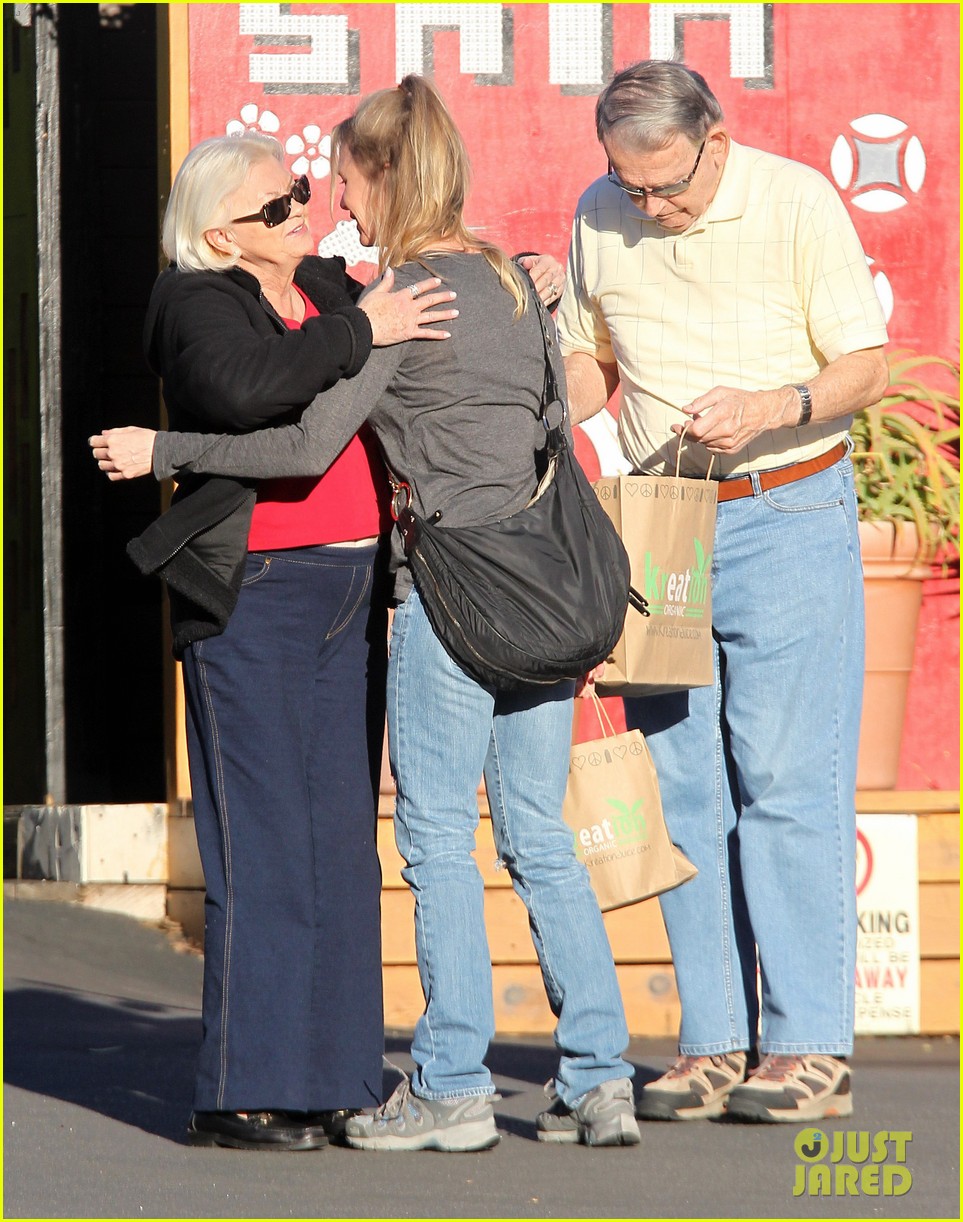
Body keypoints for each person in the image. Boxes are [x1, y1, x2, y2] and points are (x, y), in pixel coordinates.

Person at [90, 74, 640, 1153]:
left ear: (383, 177)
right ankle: (589, 1076)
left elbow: (309, 433)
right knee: (492, 837)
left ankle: (424, 1081)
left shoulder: (391, 299)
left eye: (330, 183)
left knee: (408, 837)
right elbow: (538, 403)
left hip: (435, 592)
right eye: (292, 197)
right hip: (490, 583)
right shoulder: (477, 283)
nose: (320, 204)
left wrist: (168, 453)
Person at [557, 60, 889, 1124]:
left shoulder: (795, 200)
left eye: (669, 185)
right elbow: (588, 361)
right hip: (660, 524)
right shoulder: (597, 212)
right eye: (630, 184)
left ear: (717, 137)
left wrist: (775, 403)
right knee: (681, 787)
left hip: (788, 504)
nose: (650, 206)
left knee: (787, 778)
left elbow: (865, 366)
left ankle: (806, 1049)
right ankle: (711, 1040)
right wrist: (536, 373)